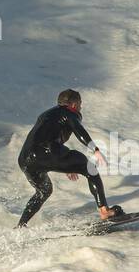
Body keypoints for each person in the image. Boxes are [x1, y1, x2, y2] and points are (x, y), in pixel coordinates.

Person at [16, 89, 122, 226]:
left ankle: (21, 225)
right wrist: (95, 149)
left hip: (25, 160)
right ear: (73, 104)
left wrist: (66, 164)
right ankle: (104, 211)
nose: (81, 107)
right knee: (89, 168)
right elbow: (79, 132)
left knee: (44, 191)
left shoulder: (46, 115)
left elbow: (46, 137)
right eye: (80, 104)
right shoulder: (69, 114)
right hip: (47, 153)